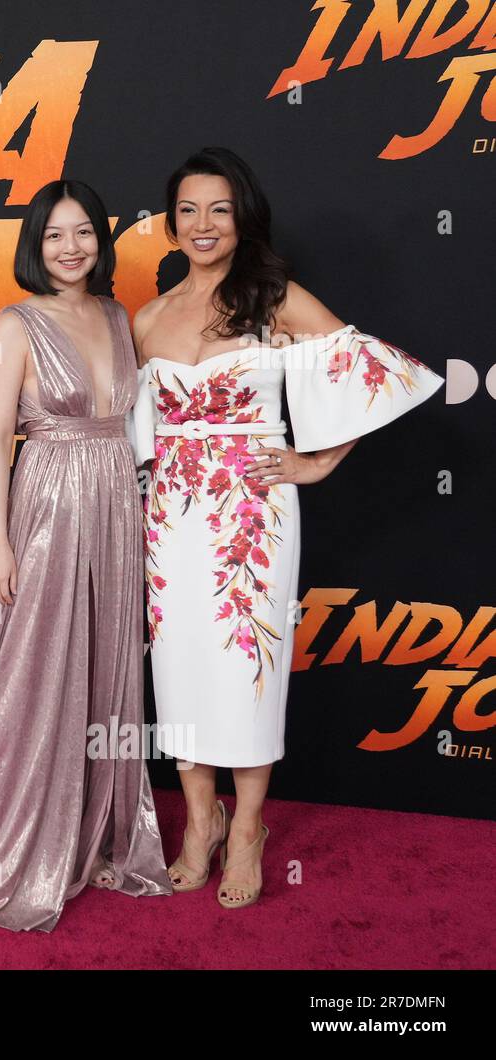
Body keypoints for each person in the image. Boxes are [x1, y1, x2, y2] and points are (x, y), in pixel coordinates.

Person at [129, 147, 444, 909]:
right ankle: (200, 822)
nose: (203, 225)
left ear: (242, 219)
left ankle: (249, 830)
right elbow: (133, 431)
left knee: (247, 669)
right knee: (179, 671)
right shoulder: (146, 317)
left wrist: (317, 461)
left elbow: (370, 368)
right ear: (170, 225)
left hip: (252, 518)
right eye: (188, 211)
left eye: (219, 210)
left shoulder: (272, 298)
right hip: (169, 518)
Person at [0, 180, 173, 931]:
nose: (70, 247)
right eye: (56, 234)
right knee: (33, 667)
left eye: (84, 232)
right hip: (50, 500)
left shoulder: (120, 317)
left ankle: (89, 832)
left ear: (100, 241)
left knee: (104, 664)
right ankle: (5, 843)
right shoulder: (14, 323)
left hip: (117, 502)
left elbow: (139, 424)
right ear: (36, 243)